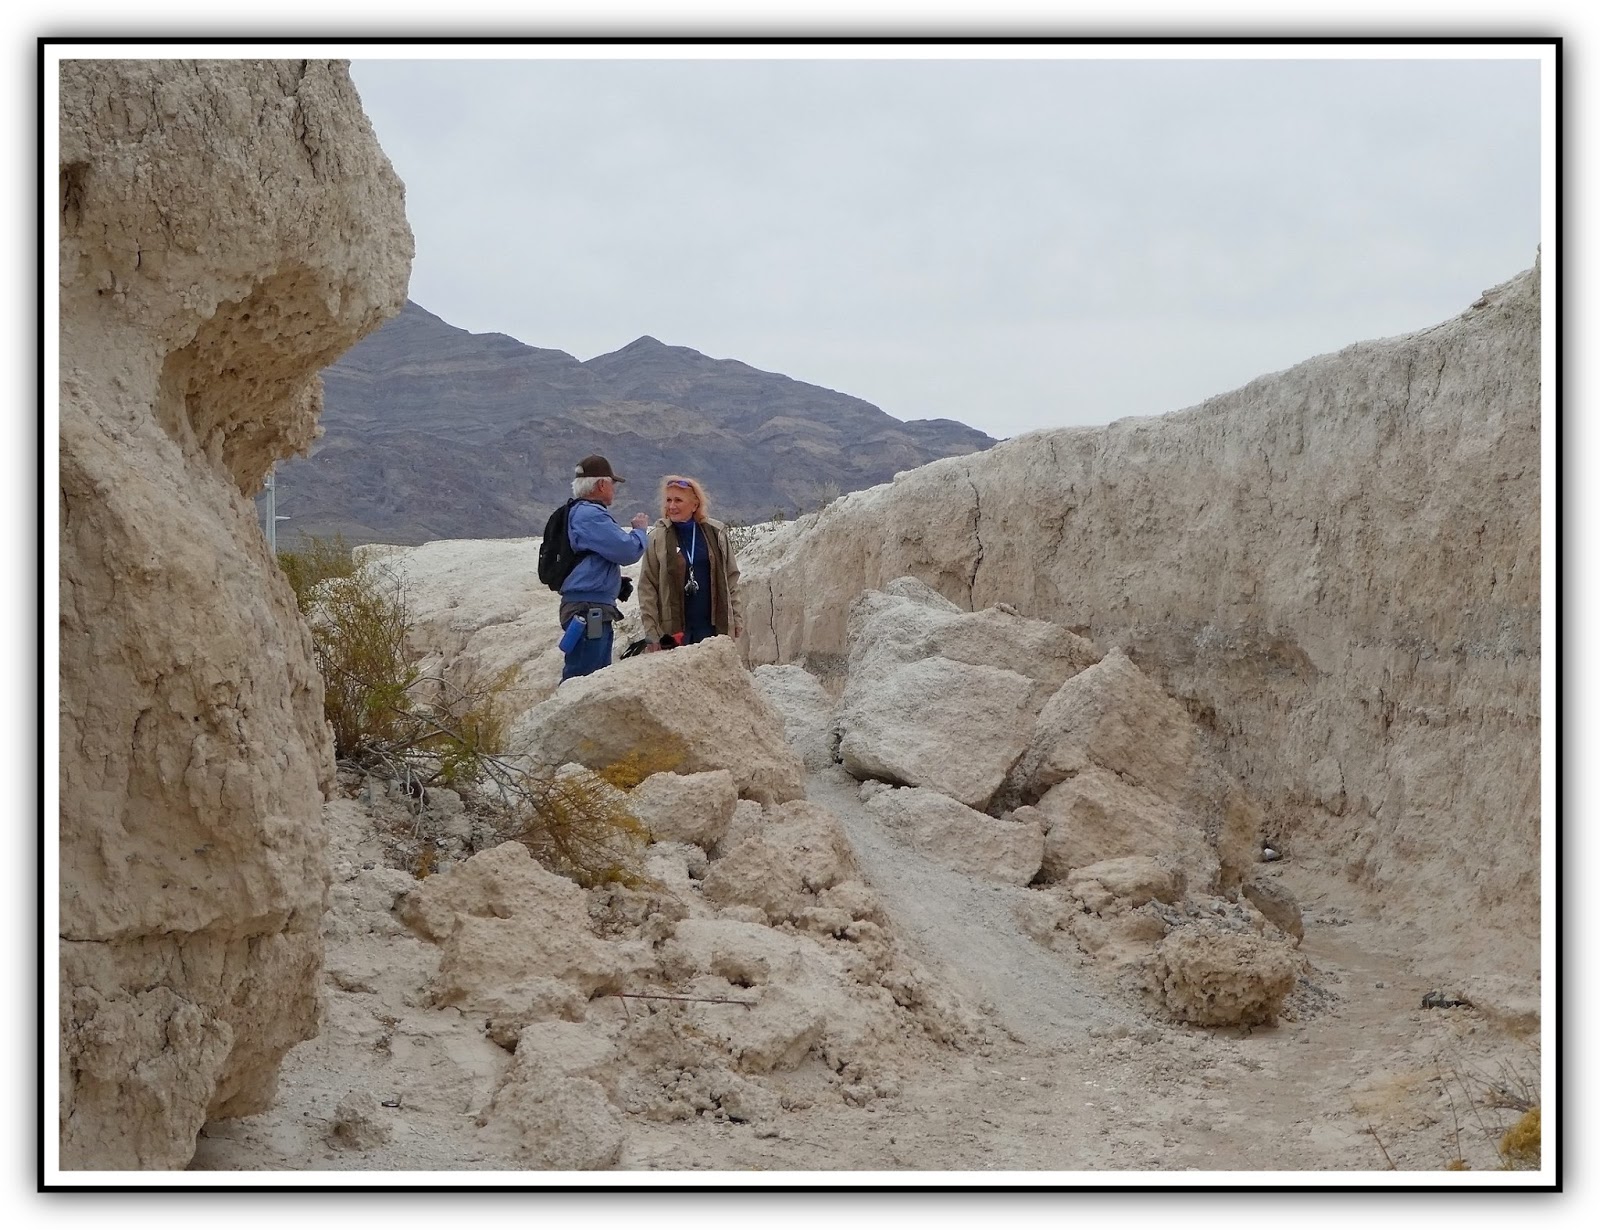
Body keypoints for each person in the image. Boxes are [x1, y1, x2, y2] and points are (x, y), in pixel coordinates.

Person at [558, 454, 650, 680]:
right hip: (589, 612)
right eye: (612, 483)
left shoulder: (578, 512)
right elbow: (626, 551)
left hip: (590, 608)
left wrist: (613, 583)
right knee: (586, 678)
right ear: (601, 484)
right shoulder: (590, 515)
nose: (614, 489)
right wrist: (639, 531)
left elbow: (591, 557)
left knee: (593, 675)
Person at [637, 474, 743, 650]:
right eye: (668, 500)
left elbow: (731, 578)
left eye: (678, 500)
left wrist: (736, 618)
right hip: (674, 631)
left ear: (695, 504)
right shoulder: (657, 539)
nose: (672, 506)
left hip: (711, 628)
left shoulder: (716, 534)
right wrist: (652, 632)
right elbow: (647, 587)